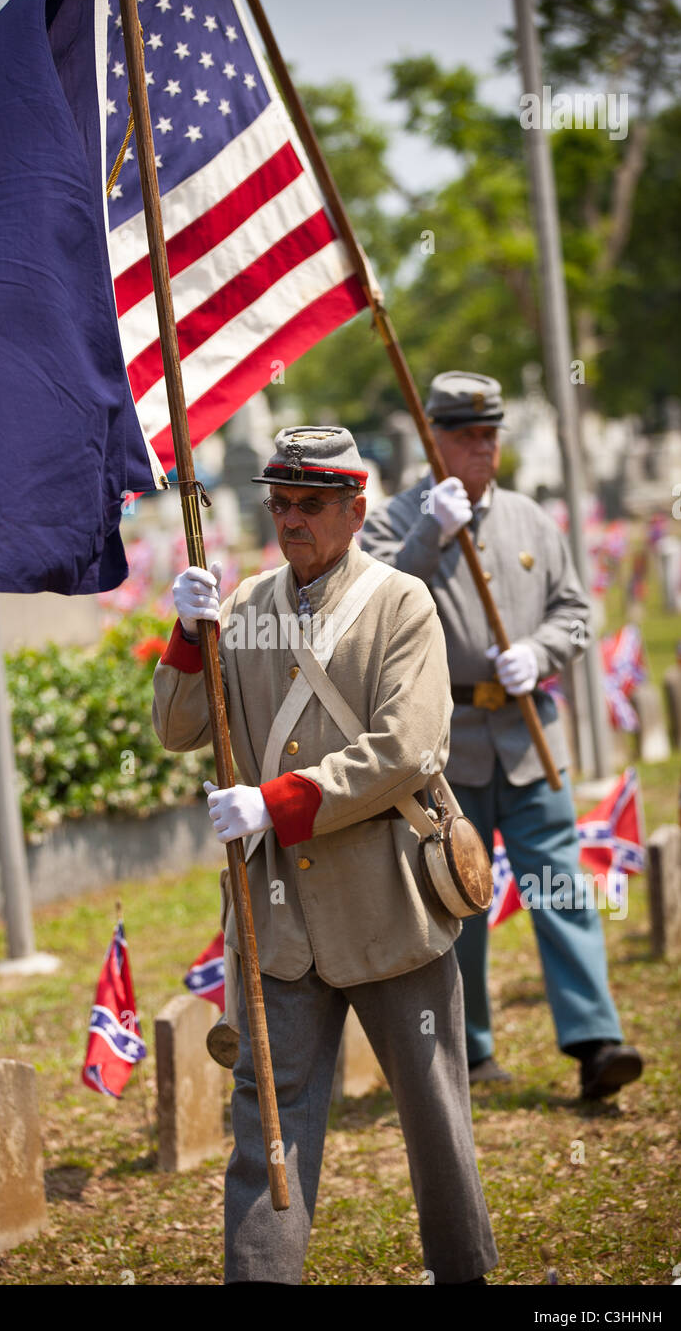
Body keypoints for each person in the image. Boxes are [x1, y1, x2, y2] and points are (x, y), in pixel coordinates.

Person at [152, 425, 498, 1286]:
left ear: (356, 507)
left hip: (388, 902)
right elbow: (177, 728)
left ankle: (465, 1275)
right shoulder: (248, 607)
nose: (291, 518)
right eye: (279, 503)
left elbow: (411, 747)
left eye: (310, 504)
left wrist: (273, 802)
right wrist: (192, 633)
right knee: (266, 1121)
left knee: (433, 1115)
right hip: (280, 919)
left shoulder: (400, 602)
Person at [360, 370, 643, 1099]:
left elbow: (575, 611)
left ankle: (595, 1042)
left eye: (490, 435)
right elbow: (374, 608)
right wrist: (433, 533)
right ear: (434, 441)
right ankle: (471, 1047)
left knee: (559, 887)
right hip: (444, 742)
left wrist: (540, 653)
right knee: (458, 895)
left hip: (526, 733)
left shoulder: (529, 521)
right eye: (465, 436)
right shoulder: (397, 518)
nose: (482, 450)